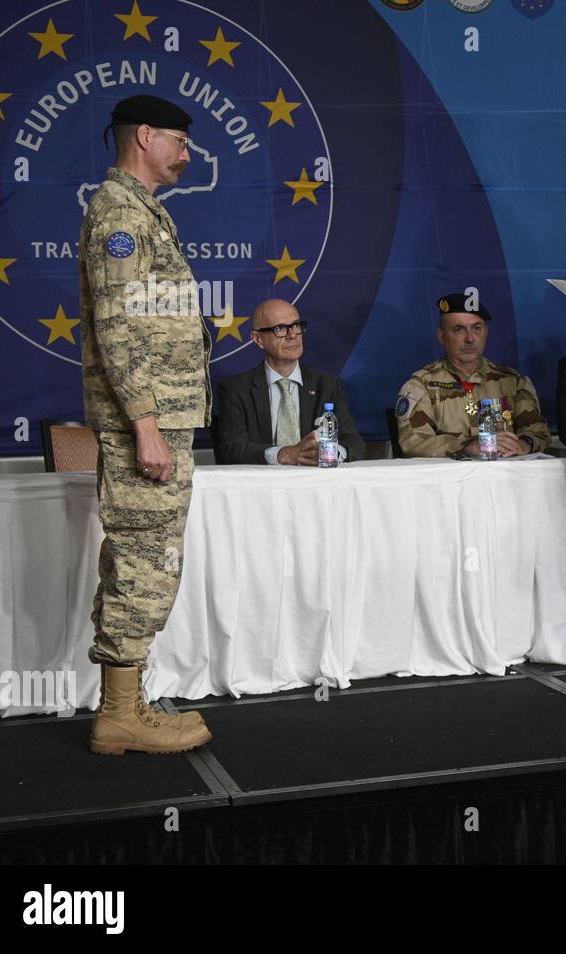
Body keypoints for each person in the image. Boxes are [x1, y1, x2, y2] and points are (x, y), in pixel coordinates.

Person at [79, 95, 213, 754]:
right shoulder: (120, 218)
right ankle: (122, 716)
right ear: (146, 136)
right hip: (147, 424)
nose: (187, 156)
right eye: (181, 143)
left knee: (142, 562)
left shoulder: (142, 213)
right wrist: (146, 426)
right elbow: (119, 328)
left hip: (160, 418)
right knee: (143, 566)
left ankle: (122, 708)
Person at [395, 293, 550, 458]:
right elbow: (414, 442)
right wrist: (467, 446)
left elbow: (538, 432)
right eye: (458, 329)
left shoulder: (512, 381)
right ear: (442, 336)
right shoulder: (421, 385)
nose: (469, 338)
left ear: (486, 332)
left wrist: (524, 444)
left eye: (477, 328)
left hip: (506, 477)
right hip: (449, 480)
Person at [213, 299, 365, 465]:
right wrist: (282, 454)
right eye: (280, 328)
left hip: (317, 484)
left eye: (296, 325)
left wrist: (329, 453)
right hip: (261, 486)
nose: (292, 335)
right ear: (258, 339)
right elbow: (230, 450)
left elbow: (354, 444)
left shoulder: (327, 385)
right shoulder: (236, 389)